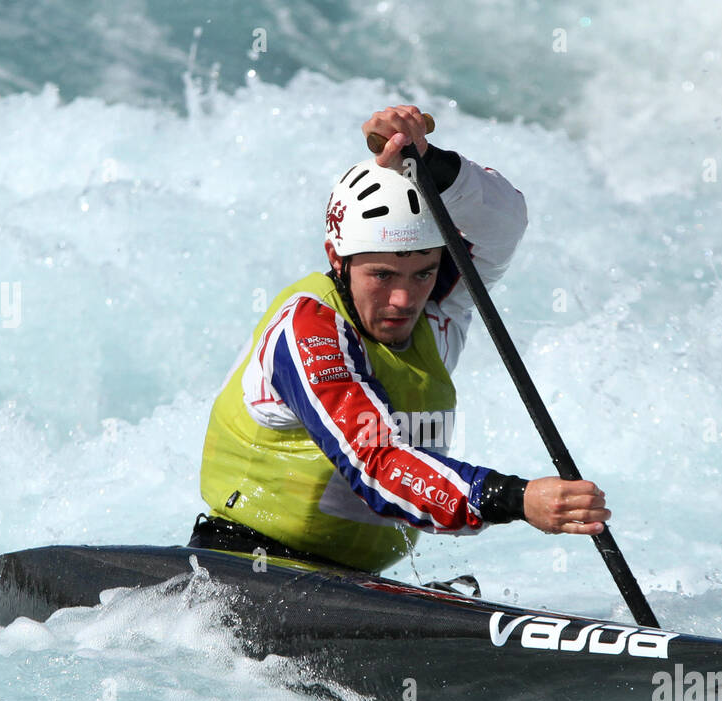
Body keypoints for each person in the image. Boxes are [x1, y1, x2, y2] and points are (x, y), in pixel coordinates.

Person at [194, 105, 610, 571]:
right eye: (382, 274)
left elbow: (504, 219)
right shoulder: (306, 327)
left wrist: (426, 161)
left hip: (357, 585)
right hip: (244, 565)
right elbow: (376, 461)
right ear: (337, 257)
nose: (402, 299)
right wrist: (515, 498)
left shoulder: (438, 310)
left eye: (423, 273)